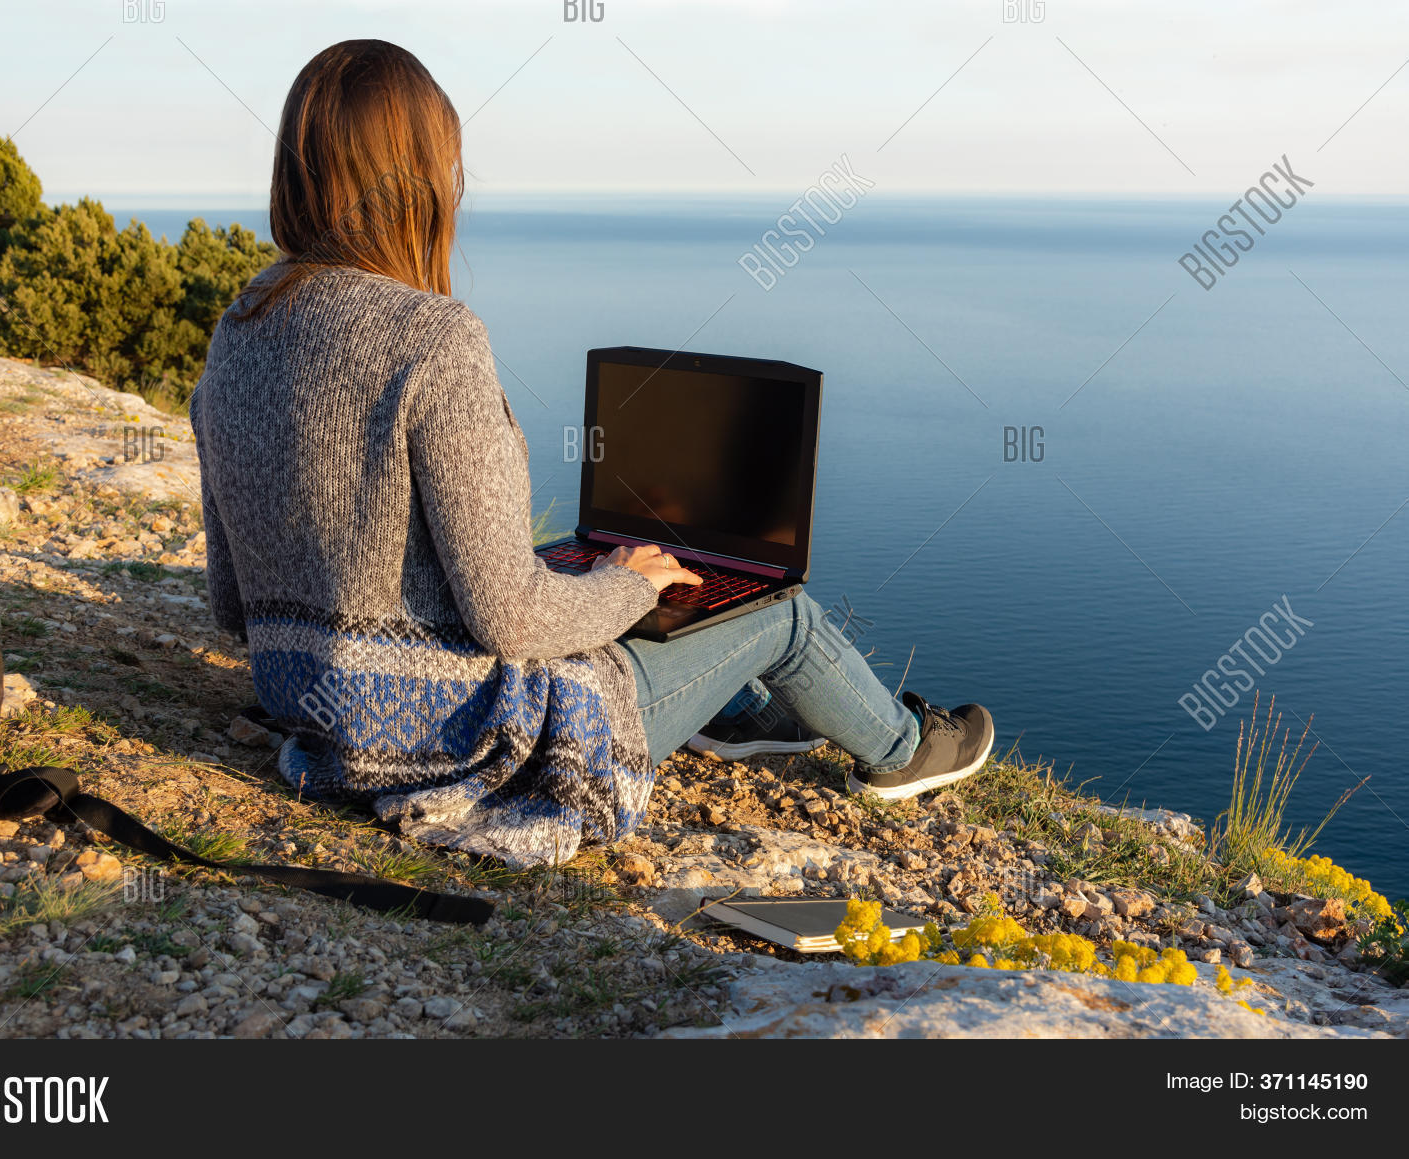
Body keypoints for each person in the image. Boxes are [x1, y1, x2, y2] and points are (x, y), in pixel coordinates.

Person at [189, 39, 994, 868]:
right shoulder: (432, 340)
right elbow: (513, 620)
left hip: (314, 713)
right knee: (784, 614)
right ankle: (905, 753)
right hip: (461, 734)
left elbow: (229, 601)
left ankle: (738, 715)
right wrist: (625, 586)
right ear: (422, 182)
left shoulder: (240, 329)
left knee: (608, 587)